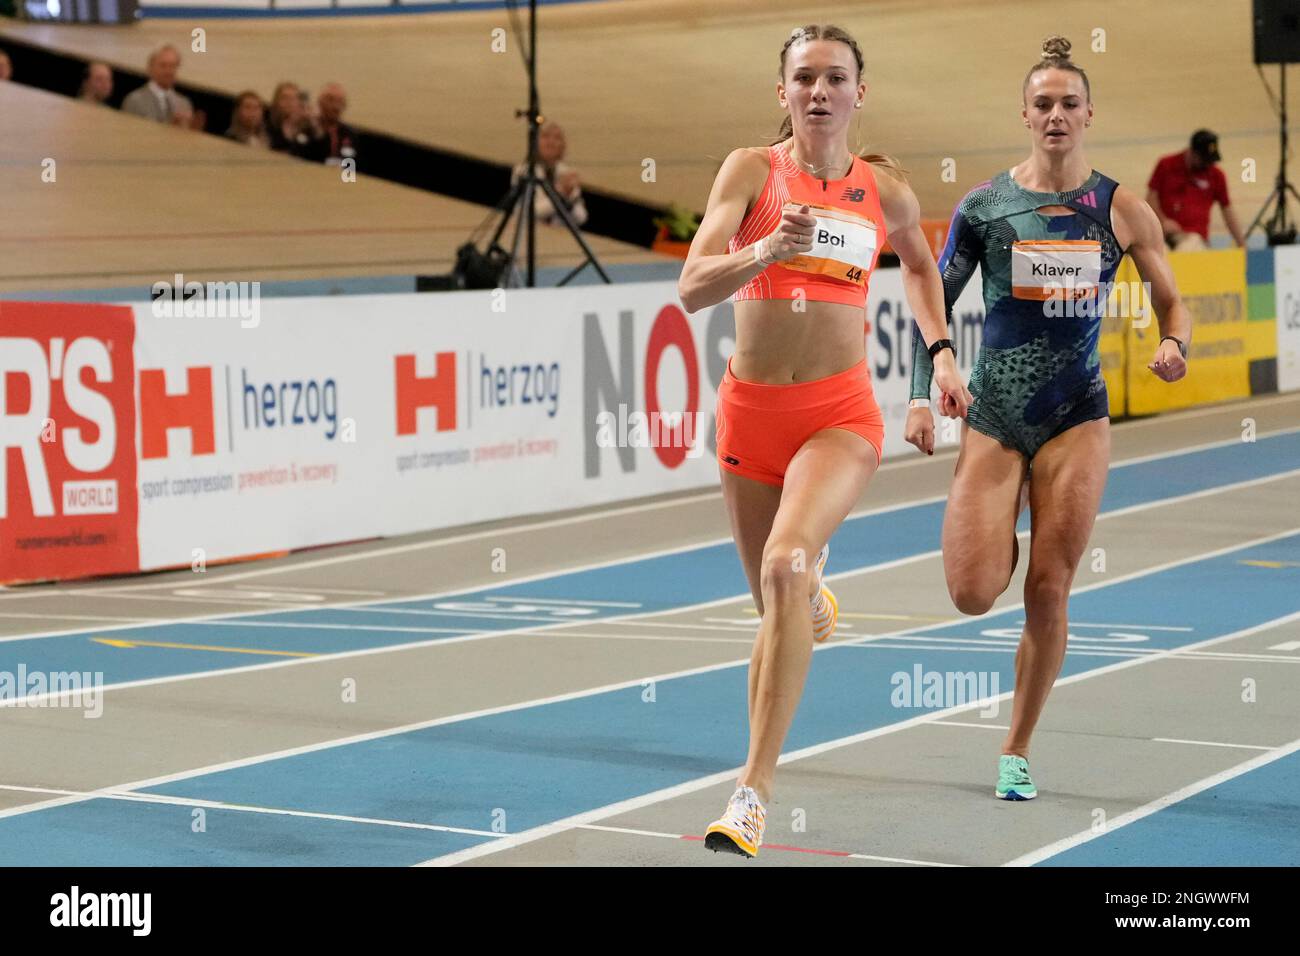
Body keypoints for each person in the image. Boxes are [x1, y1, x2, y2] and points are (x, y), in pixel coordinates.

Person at [677, 23, 967, 858]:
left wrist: (940, 350)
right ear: (783, 93)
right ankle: (808, 599)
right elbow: (693, 286)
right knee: (775, 606)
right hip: (749, 417)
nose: (819, 91)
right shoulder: (750, 171)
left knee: (783, 563)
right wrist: (768, 245)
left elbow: (920, 265)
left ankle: (751, 793)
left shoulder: (886, 191)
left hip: (838, 416)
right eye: (804, 77)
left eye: (835, 77)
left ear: (858, 93)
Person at [906, 35, 1191, 802]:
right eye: (1043, 103)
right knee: (972, 590)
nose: (1056, 114)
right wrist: (922, 382)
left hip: (1076, 417)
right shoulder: (986, 207)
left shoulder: (1119, 207)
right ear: (1025, 115)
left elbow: (1172, 296)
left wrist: (1174, 342)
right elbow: (932, 297)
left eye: (1069, 103)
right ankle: (999, 514)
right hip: (996, 414)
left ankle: (1016, 749)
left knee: (1050, 588)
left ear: (1089, 113)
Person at [1147, 130, 1245, 250]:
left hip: (1195, 238)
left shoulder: (1216, 176)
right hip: (1163, 235)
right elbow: (1151, 198)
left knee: (1188, 246)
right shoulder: (1166, 165)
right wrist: (1163, 221)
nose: (1208, 164)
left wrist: (1242, 244)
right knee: (1158, 251)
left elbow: (1228, 211)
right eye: (1205, 159)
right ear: (1193, 152)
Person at [510, 121, 588, 228]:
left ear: (562, 146)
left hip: (559, 237)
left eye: (557, 138)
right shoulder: (523, 171)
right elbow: (527, 213)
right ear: (535, 143)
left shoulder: (567, 174)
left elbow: (581, 217)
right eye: (545, 136)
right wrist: (560, 194)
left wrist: (568, 201)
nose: (551, 142)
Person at [121, 45, 195, 127]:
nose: (169, 71)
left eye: (173, 66)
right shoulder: (134, 100)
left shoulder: (184, 104)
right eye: (163, 65)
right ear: (150, 68)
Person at [300, 82, 358, 164]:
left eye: (340, 101)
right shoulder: (305, 130)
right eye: (330, 100)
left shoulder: (349, 134)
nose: (336, 106)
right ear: (320, 102)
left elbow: (350, 170)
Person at [267, 81, 313, 155]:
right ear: (276, 101)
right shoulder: (269, 123)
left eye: (293, 98)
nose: (289, 102)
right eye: (284, 97)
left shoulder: (306, 125)